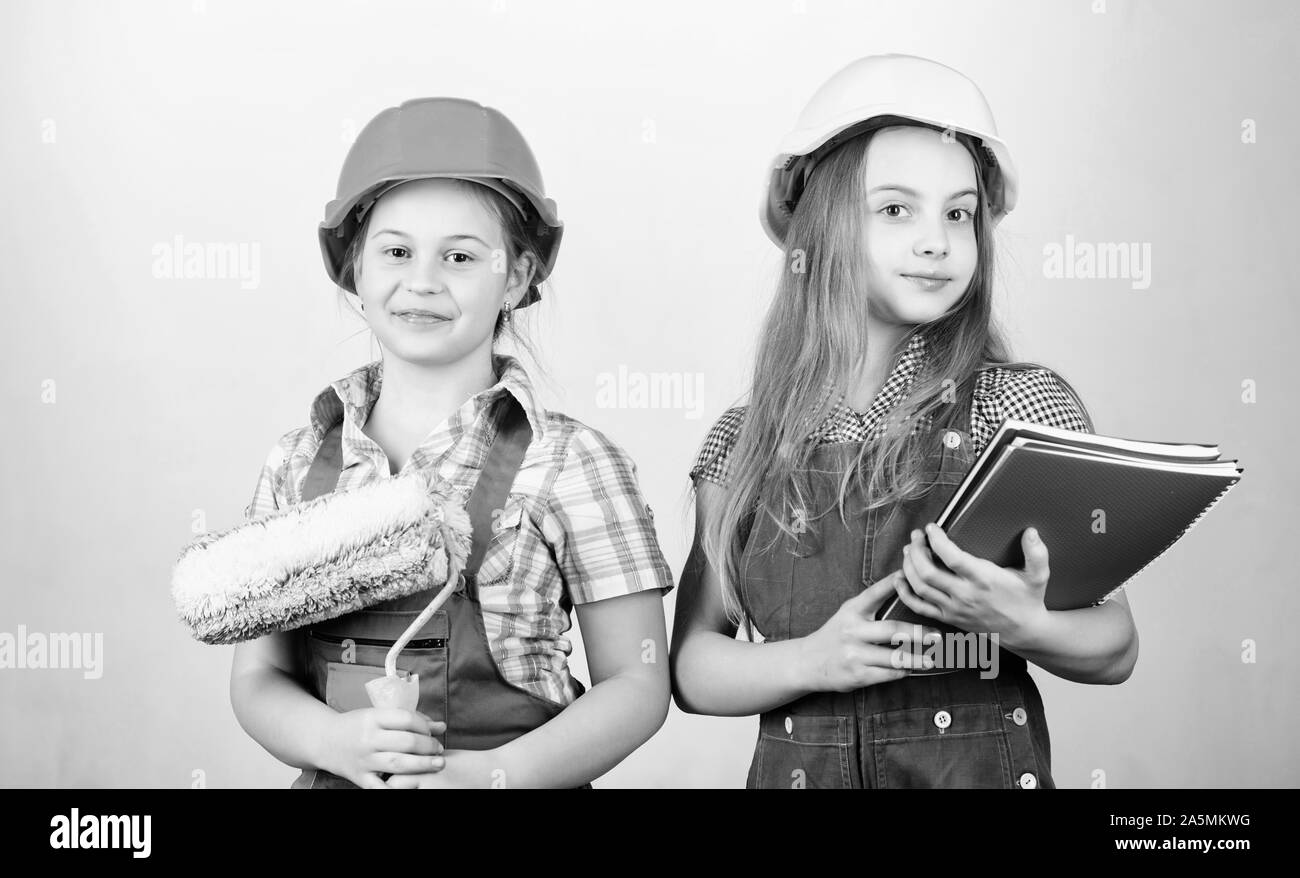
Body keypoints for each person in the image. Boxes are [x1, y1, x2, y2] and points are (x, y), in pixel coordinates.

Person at [670, 55, 1139, 789]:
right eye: (896, 209)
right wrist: (812, 661)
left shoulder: (1015, 408)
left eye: (958, 213)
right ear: (819, 230)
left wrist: (1025, 625)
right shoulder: (746, 439)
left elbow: (1115, 646)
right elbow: (695, 670)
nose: (936, 240)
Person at [230, 98, 673, 789]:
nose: (424, 281)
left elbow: (639, 682)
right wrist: (334, 742)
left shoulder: (575, 464)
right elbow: (259, 676)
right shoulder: (297, 465)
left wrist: (494, 775)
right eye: (397, 251)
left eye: (460, 256)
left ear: (518, 276)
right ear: (355, 270)